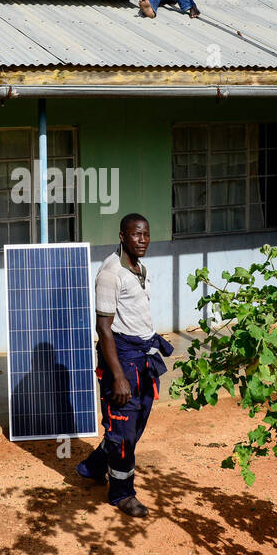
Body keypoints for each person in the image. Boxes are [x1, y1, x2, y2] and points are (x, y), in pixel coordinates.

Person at [76, 213, 174, 517]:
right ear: (122, 236)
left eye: (146, 234)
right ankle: (121, 493)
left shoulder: (139, 268)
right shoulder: (111, 273)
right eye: (136, 235)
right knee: (122, 431)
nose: (142, 240)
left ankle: (94, 466)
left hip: (144, 358)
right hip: (122, 360)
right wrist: (118, 376)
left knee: (137, 421)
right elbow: (103, 329)